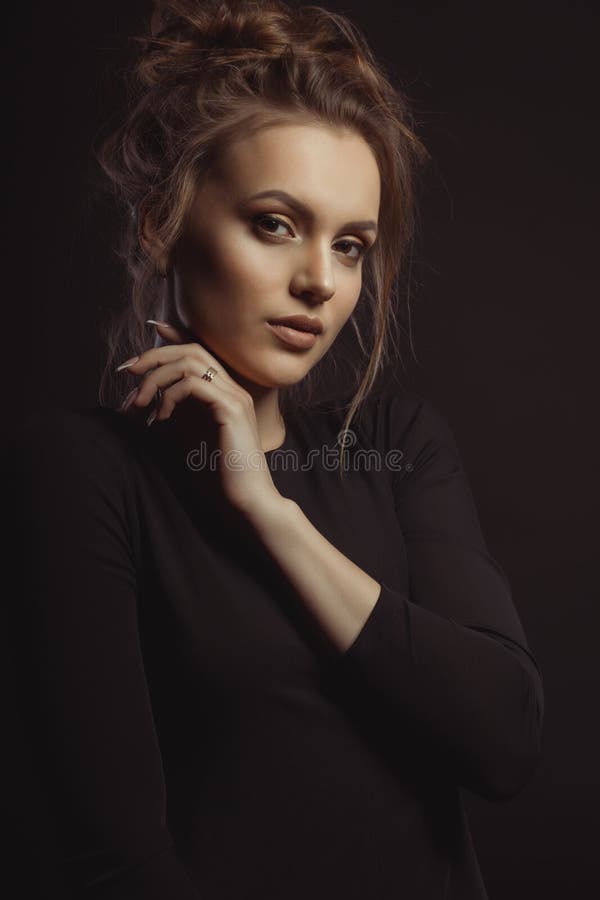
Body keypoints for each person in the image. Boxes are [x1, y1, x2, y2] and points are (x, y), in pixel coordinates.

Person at [5, 0, 544, 897]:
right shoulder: (79, 474)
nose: (318, 283)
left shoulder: (396, 445)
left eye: (351, 246)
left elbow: (504, 739)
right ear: (162, 224)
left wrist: (265, 509)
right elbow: (109, 859)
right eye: (274, 223)